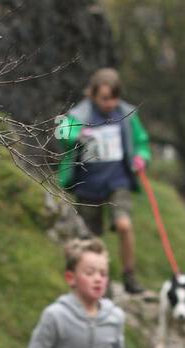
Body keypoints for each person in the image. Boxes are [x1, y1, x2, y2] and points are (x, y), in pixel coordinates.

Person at [55, 66, 152, 295]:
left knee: (124, 225)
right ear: (93, 94)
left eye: (115, 98)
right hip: (87, 184)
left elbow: (142, 142)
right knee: (90, 238)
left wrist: (141, 158)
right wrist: (78, 135)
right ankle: (101, 282)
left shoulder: (127, 114)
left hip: (118, 181)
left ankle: (130, 275)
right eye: (105, 99)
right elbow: (61, 133)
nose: (110, 103)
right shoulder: (79, 114)